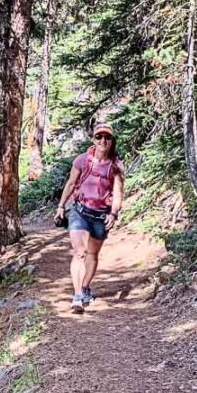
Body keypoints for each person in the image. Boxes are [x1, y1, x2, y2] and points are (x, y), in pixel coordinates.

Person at [54, 123, 125, 314]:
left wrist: (114, 213)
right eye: (99, 137)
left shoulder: (116, 165)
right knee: (80, 252)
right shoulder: (82, 160)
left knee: (92, 254)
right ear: (93, 139)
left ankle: (85, 287)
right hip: (80, 211)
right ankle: (77, 296)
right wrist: (61, 206)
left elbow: (118, 193)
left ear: (112, 141)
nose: (103, 140)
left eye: (107, 137)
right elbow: (71, 184)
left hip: (101, 215)